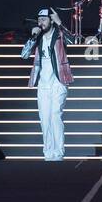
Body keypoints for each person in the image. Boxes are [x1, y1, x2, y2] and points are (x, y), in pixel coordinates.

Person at [20, 8, 82, 161]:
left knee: (55, 116)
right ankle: (48, 154)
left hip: (59, 81)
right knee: (45, 118)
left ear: (51, 20)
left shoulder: (59, 34)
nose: (41, 23)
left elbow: (74, 40)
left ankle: (59, 153)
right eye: (39, 20)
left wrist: (60, 23)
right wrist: (33, 37)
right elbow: (24, 54)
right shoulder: (38, 37)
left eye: (44, 19)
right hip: (43, 84)